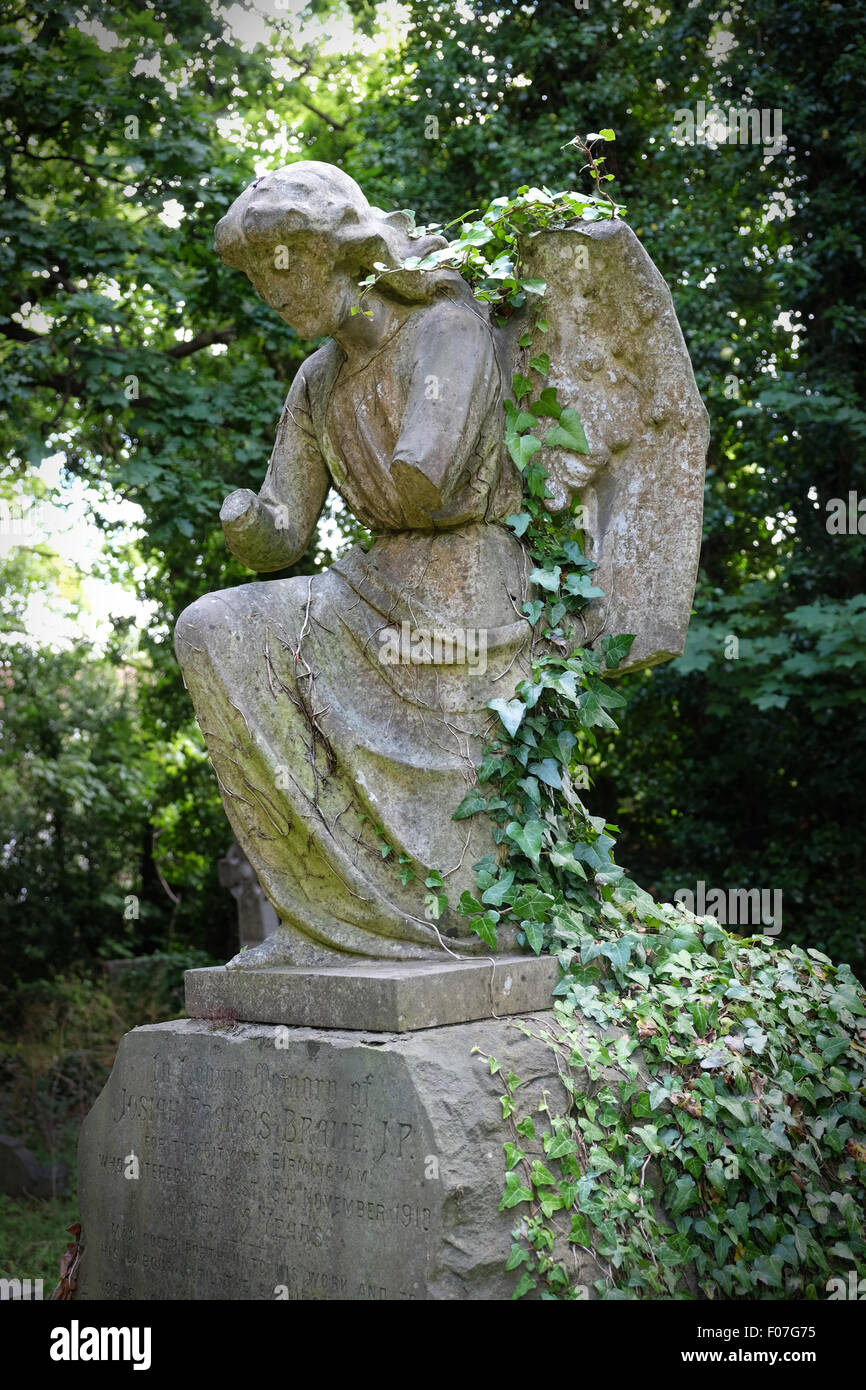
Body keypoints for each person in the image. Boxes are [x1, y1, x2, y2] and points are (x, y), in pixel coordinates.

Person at [174, 162, 533, 966]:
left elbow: (430, 479)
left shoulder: (447, 328)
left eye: (281, 262)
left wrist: (411, 454)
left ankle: (454, 919)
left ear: (339, 248)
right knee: (212, 629)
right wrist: (251, 524)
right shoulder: (317, 378)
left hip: (471, 586)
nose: (270, 290)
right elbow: (285, 530)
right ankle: (323, 920)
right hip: (370, 584)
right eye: (255, 274)